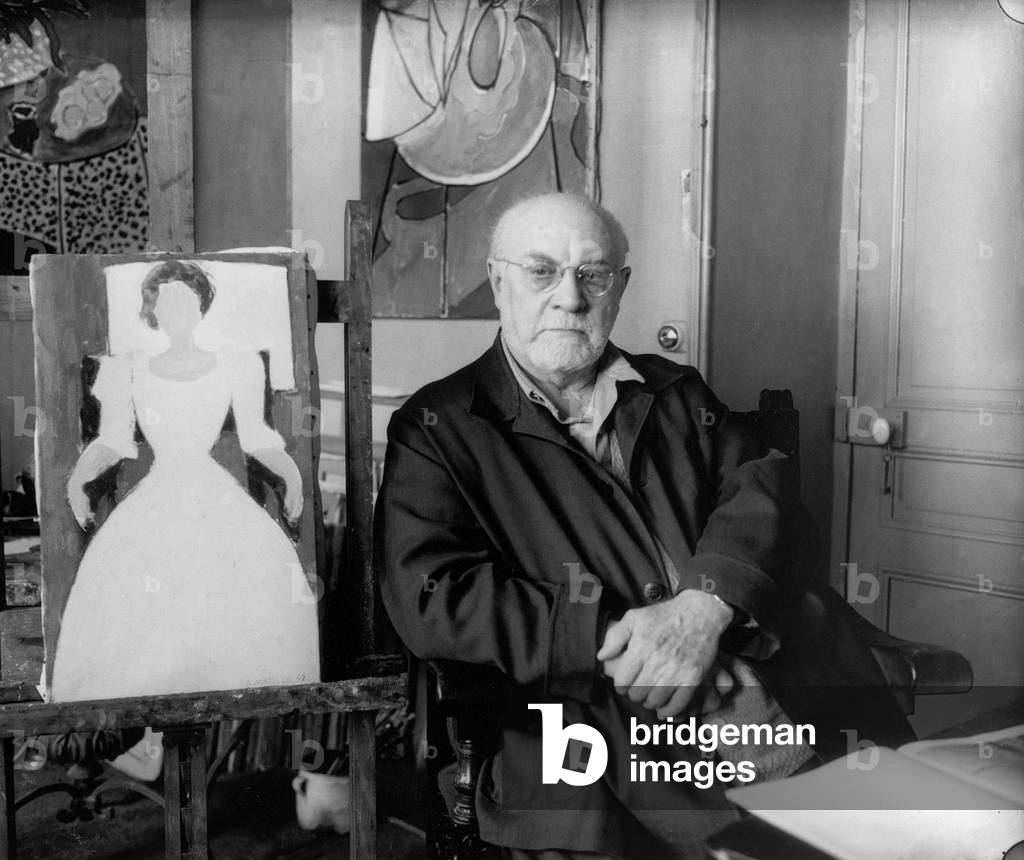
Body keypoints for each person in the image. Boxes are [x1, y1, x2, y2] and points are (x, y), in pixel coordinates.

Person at [376, 193, 911, 859]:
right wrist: (621, 640)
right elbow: (433, 597)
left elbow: (764, 492)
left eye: (594, 274)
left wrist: (705, 609)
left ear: (619, 289)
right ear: (498, 281)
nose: (571, 298)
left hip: (771, 676)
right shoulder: (439, 428)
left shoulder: (677, 393)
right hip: (598, 715)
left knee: (905, 827)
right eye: (541, 271)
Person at [52, 260, 319, 702]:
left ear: (202, 307)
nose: (179, 309)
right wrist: (79, 477)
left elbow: (257, 438)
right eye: (167, 301)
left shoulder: (236, 365)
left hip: (214, 492)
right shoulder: (130, 370)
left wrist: (292, 475)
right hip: (157, 493)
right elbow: (112, 440)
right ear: (153, 311)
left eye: (188, 300)